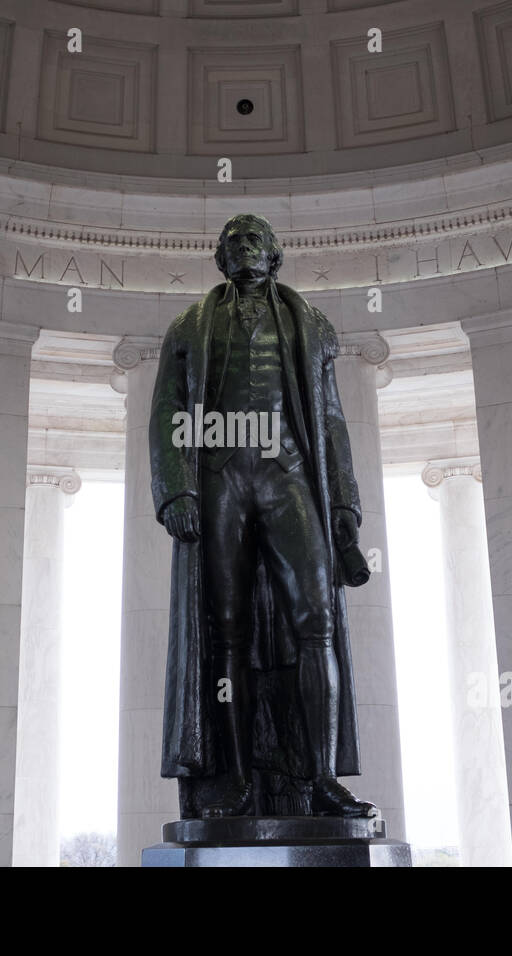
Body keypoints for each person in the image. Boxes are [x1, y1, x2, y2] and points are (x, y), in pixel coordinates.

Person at [149, 213, 376, 819]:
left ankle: (322, 778)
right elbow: (169, 412)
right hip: (221, 476)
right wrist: (176, 492)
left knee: (316, 621)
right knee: (227, 633)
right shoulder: (187, 329)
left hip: (290, 474)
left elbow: (329, 418)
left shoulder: (313, 326)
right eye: (233, 242)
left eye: (256, 240)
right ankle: (239, 781)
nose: (244, 247)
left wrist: (345, 504)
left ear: (275, 255)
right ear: (220, 259)